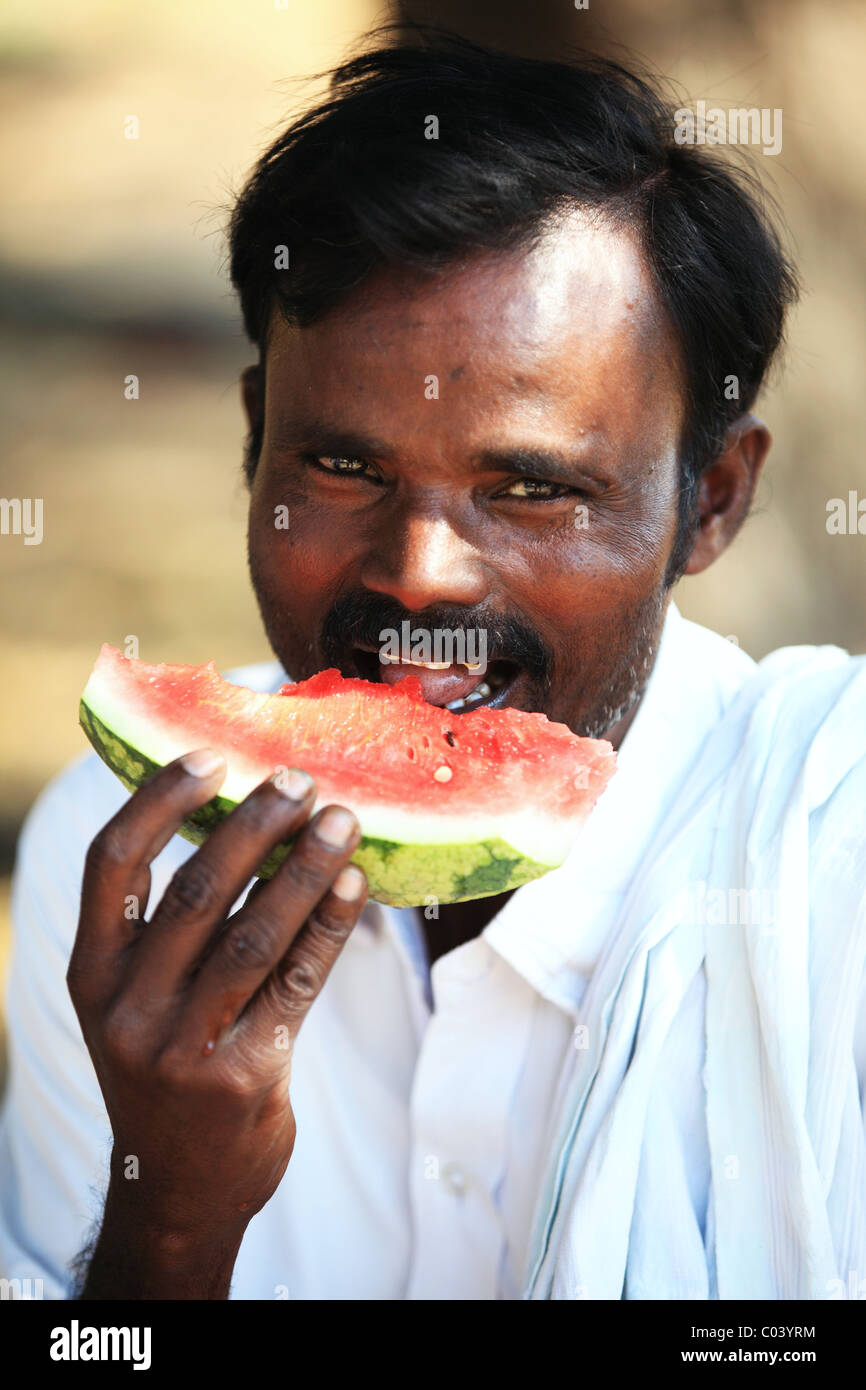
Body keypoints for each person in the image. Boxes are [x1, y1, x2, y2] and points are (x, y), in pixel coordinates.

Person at [2, 28, 864, 1302]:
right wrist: (167, 1221)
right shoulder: (126, 857)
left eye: (528, 488)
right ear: (254, 438)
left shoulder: (827, 849)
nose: (420, 574)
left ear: (711, 502)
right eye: (344, 467)